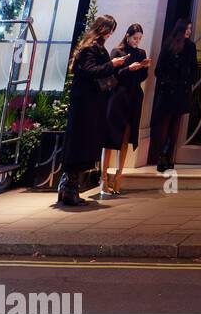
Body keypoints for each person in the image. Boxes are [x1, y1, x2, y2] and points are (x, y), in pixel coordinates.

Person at [56, 15, 123, 209]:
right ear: (102, 28)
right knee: (80, 143)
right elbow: (89, 70)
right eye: (110, 30)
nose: (111, 34)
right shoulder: (91, 48)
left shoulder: (92, 46)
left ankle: (69, 188)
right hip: (86, 104)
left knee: (82, 143)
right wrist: (113, 64)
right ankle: (70, 189)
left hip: (89, 102)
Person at [102, 24, 150, 196]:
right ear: (128, 36)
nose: (137, 41)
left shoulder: (141, 53)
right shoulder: (117, 52)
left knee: (126, 137)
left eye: (139, 39)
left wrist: (143, 67)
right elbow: (111, 76)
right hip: (118, 97)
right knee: (110, 137)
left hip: (134, 96)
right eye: (135, 38)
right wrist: (128, 68)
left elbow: (143, 77)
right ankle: (103, 178)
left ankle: (119, 176)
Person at [147, 18, 198, 173]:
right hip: (168, 91)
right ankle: (161, 156)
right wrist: (166, 82)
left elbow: (194, 69)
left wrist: (187, 82)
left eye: (190, 28)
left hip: (181, 91)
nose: (189, 31)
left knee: (175, 124)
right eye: (187, 28)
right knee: (165, 123)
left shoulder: (190, 46)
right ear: (181, 29)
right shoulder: (169, 45)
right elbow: (159, 69)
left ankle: (169, 156)